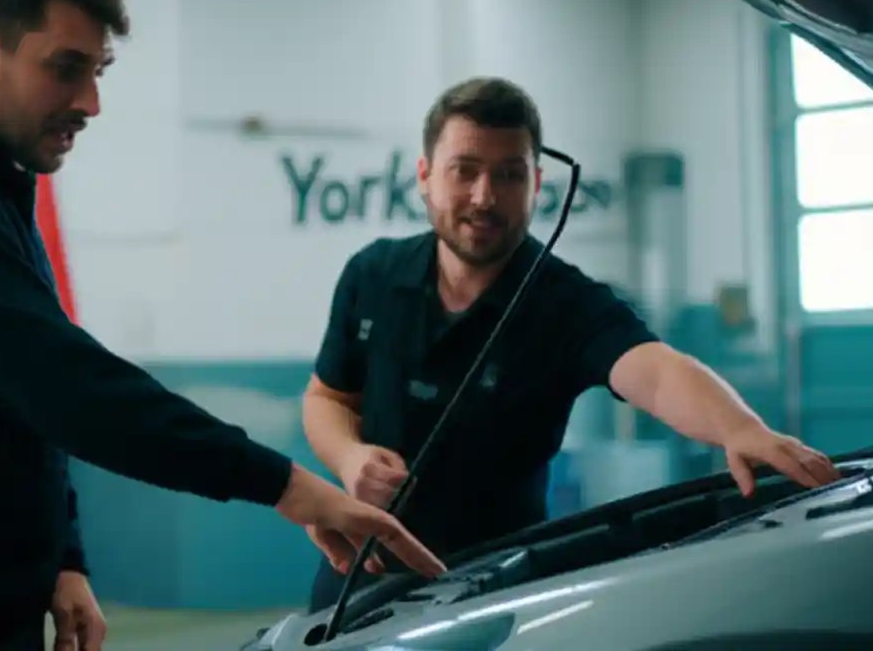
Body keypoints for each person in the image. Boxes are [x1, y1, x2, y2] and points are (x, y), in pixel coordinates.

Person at [0, 0, 445, 651]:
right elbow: (64, 386)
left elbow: (20, 403)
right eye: (65, 69)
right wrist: (284, 483)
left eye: (98, 72)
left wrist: (63, 557)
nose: (91, 102)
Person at [301, 76, 843, 612]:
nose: (484, 197)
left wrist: (739, 428)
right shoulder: (371, 275)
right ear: (425, 176)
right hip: (355, 587)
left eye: (509, 175)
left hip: (488, 598)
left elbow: (655, 372)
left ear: (537, 183)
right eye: (464, 171)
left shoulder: (564, 304)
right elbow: (327, 400)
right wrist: (350, 459)